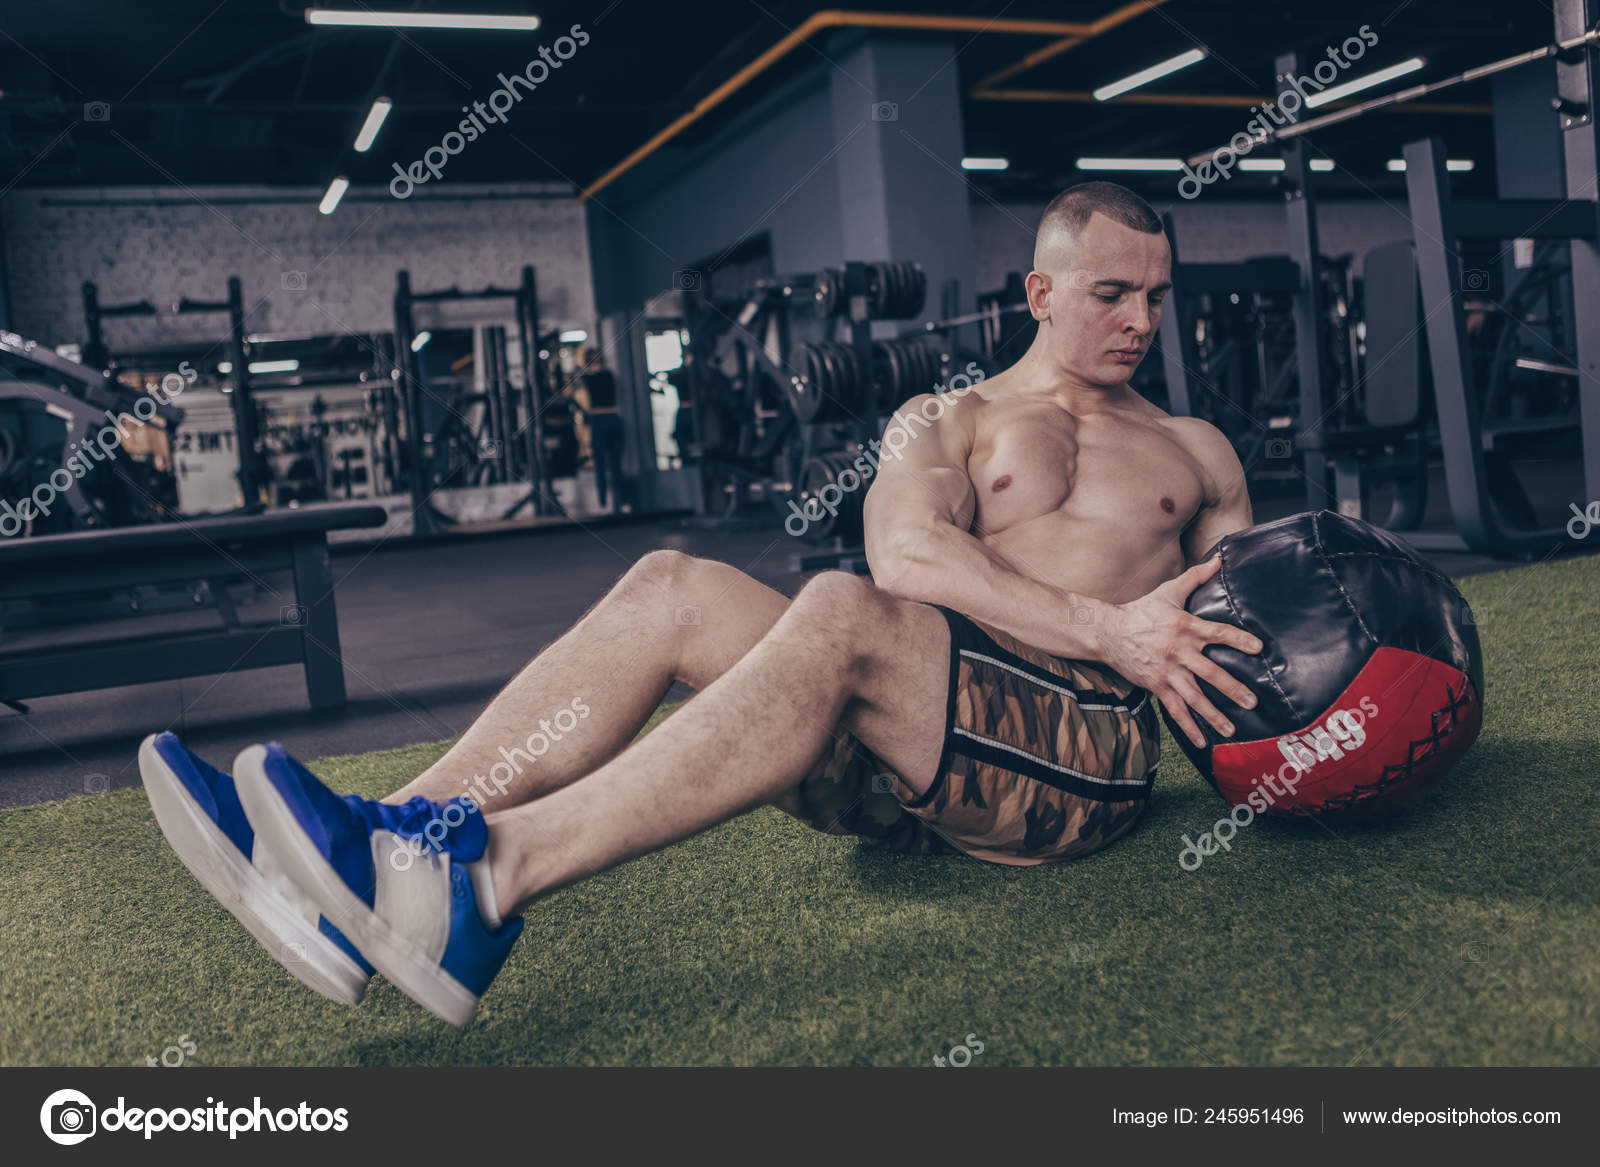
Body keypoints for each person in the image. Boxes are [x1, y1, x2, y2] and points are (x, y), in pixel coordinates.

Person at [140, 182, 1263, 1027]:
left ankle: (487, 880)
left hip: (1076, 766)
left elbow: (1266, 638)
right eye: (1112, 292)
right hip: (920, 752)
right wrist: (1107, 619)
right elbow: (908, 554)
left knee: (834, 609)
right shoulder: (945, 417)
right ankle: (386, 845)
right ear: (1040, 293)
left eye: (1154, 296)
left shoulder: (1192, 449)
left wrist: (1167, 664)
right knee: (670, 585)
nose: (1139, 320)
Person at [570, 346, 625, 511]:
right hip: (614, 418)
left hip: (600, 420)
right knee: (616, 464)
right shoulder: (609, 375)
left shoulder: (587, 378)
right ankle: (620, 501)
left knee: (600, 463)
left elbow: (570, 391)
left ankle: (603, 501)